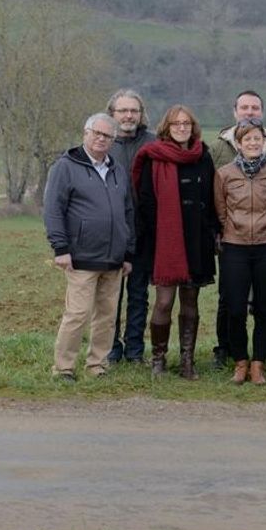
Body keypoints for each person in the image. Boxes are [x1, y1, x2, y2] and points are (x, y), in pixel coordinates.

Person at [43, 113, 134, 381]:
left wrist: (128, 253)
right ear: (86, 133)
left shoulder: (118, 170)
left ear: (113, 140)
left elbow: (127, 212)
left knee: (107, 318)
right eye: (97, 133)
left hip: (114, 259)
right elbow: (53, 210)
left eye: (107, 136)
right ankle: (63, 369)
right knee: (78, 315)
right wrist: (60, 248)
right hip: (81, 258)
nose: (101, 139)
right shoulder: (65, 167)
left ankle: (97, 366)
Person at [131, 105, 218, 380]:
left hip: (197, 239)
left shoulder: (203, 156)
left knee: (190, 301)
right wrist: (154, 239)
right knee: (164, 302)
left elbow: (212, 198)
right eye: (176, 124)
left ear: (193, 127)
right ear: (166, 128)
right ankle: (158, 359)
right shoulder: (153, 157)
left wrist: (213, 232)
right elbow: (145, 202)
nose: (182, 128)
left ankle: (187, 362)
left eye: (187, 123)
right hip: (164, 241)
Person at [210, 89, 266, 370]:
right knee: (231, 304)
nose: (249, 111)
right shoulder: (220, 156)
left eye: (254, 107)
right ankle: (232, 354)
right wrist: (227, 229)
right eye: (244, 107)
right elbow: (219, 206)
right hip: (234, 244)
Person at [105, 89, 155, 366]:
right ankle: (110, 349)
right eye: (122, 110)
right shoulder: (103, 143)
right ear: (112, 114)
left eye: (133, 110)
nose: (128, 115)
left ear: (141, 113)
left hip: (144, 232)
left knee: (139, 294)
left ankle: (135, 350)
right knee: (110, 296)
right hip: (111, 234)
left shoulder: (153, 143)